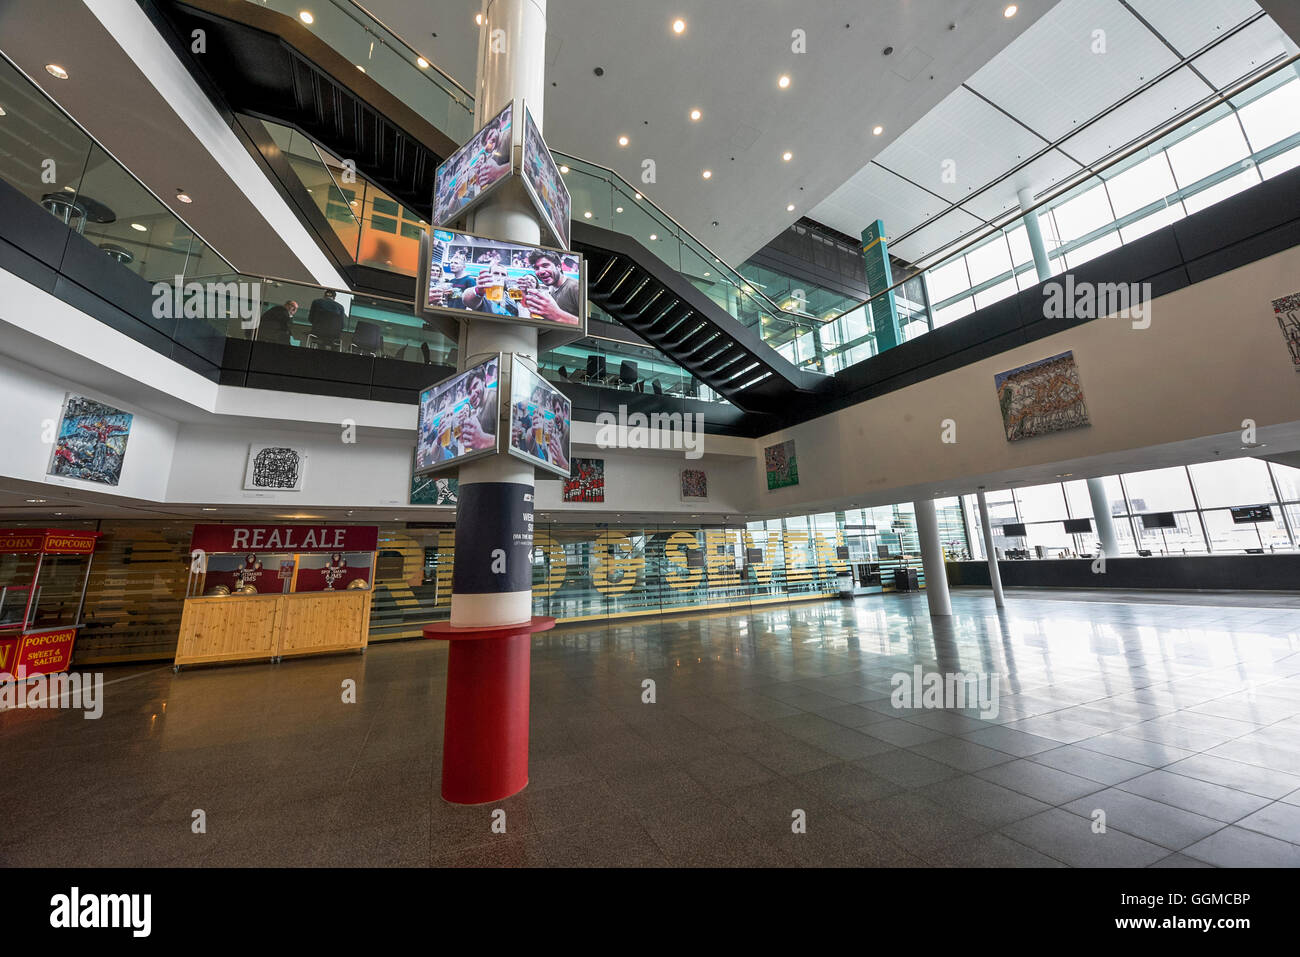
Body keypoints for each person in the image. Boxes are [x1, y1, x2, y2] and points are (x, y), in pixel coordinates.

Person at [523, 250, 581, 325]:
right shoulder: (551, 289)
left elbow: (588, 325)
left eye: (545, 265)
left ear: (559, 267)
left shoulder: (575, 287)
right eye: (536, 268)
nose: (541, 271)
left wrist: (558, 315)